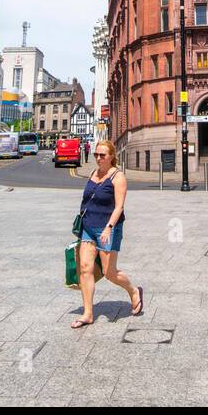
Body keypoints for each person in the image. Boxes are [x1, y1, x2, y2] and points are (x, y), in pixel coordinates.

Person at [71, 139, 142, 328]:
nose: (98, 158)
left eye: (102, 155)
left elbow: (119, 206)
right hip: (88, 227)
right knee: (85, 269)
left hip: (107, 229)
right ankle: (88, 313)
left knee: (109, 273)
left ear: (112, 157)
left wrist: (108, 227)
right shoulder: (93, 173)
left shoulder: (118, 177)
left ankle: (133, 291)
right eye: (96, 154)